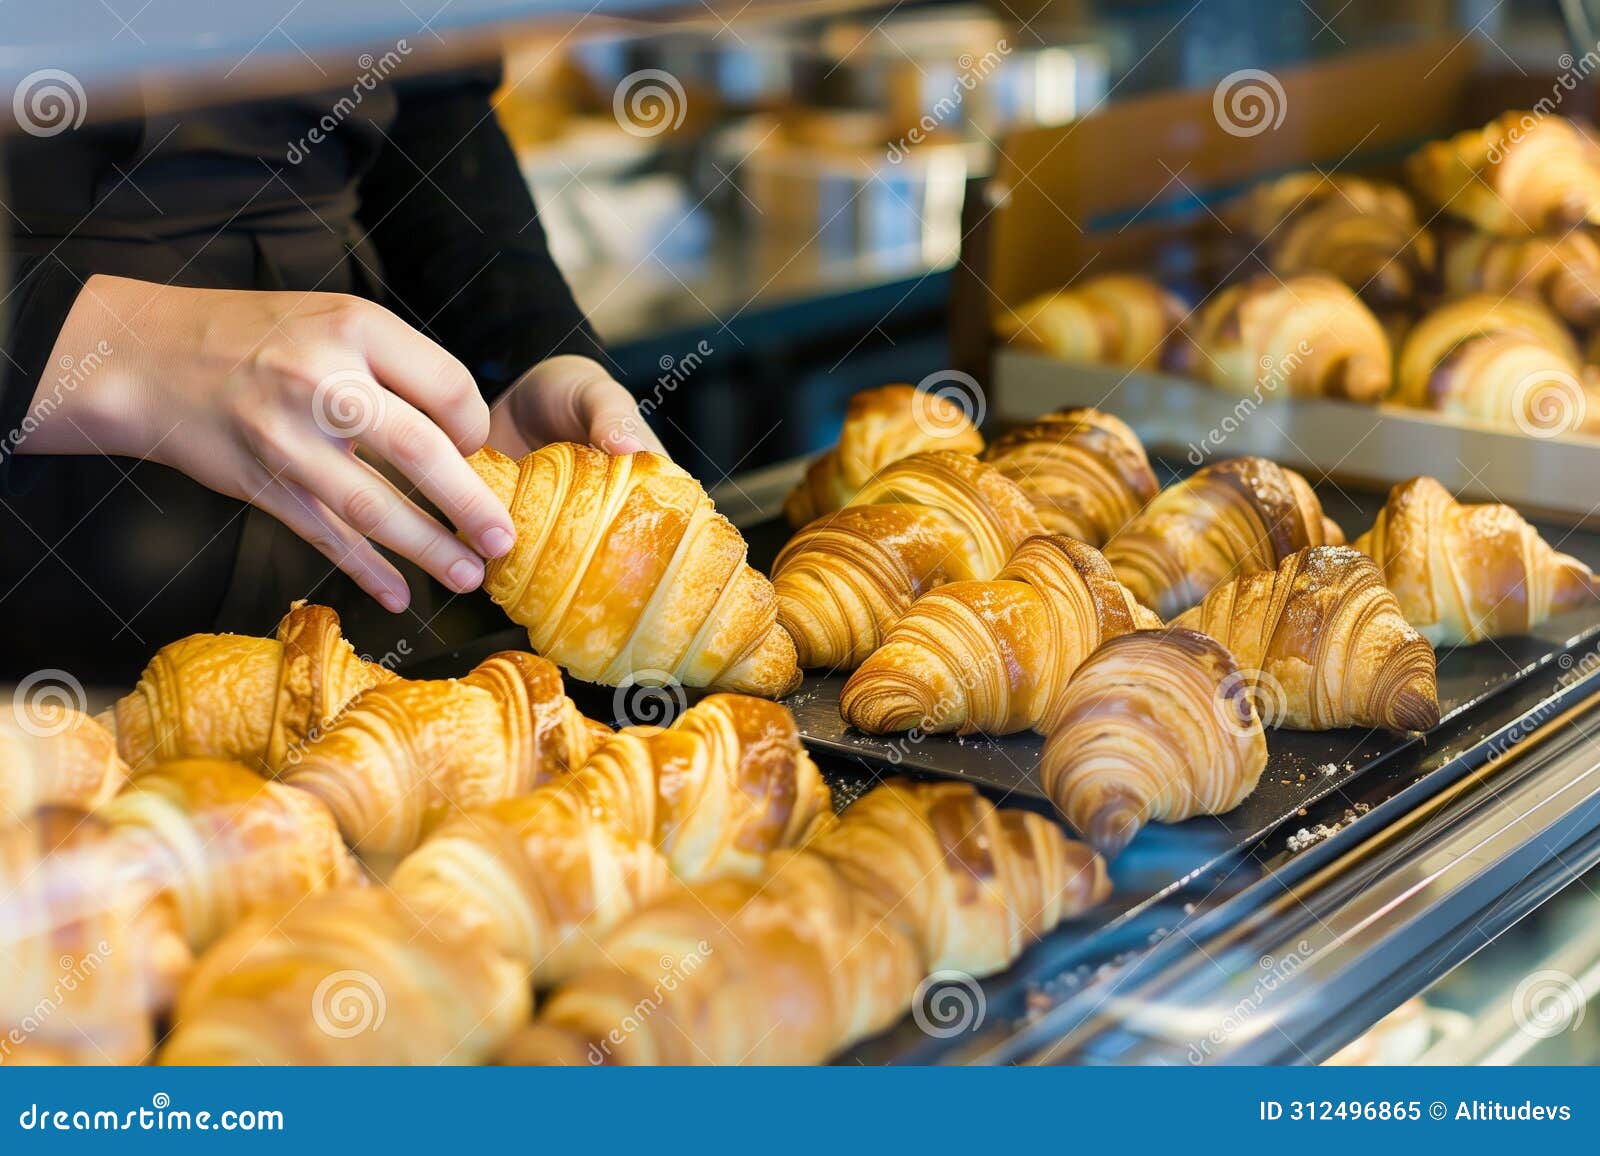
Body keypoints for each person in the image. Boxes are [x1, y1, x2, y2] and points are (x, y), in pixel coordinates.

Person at [0, 62, 662, 680]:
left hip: (356, 514)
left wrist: (520, 345)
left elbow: (430, 96)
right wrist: (114, 347)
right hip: (40, 552)